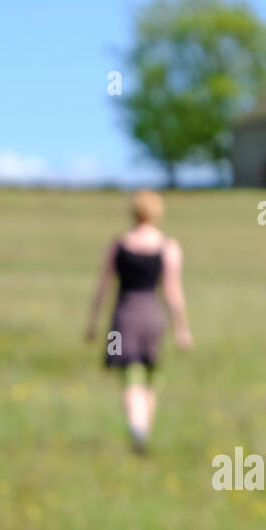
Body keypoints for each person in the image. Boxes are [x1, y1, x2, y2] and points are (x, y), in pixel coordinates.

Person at [85, 190, 192, 451]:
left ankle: (137, 428)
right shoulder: (168, 247)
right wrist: (181, 329)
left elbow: (104, 286)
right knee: (150, 376)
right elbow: (172, 291)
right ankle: (143, 430)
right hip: (153, 316)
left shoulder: (118, 244)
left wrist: (92, 322)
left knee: (126, 375)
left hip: (121, 318)